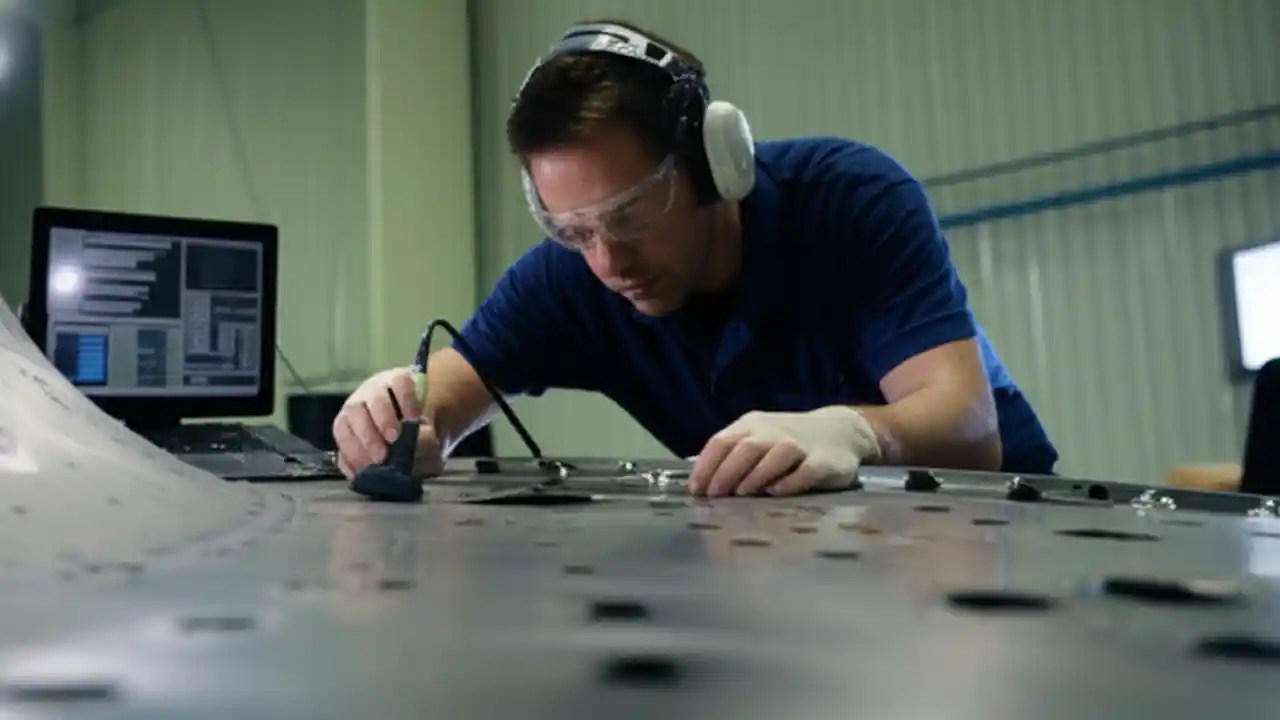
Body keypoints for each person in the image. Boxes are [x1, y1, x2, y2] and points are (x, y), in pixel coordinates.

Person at [333, 20, 1058, 498]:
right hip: (794, 553)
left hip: (991, 517)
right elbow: (441, 406)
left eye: (631, 214)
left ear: (718, 163)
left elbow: (969, 429)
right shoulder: (574, 274)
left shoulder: (853, 202)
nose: (609, 260)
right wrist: (395, 415)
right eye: (575, 229)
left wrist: (854, 431)